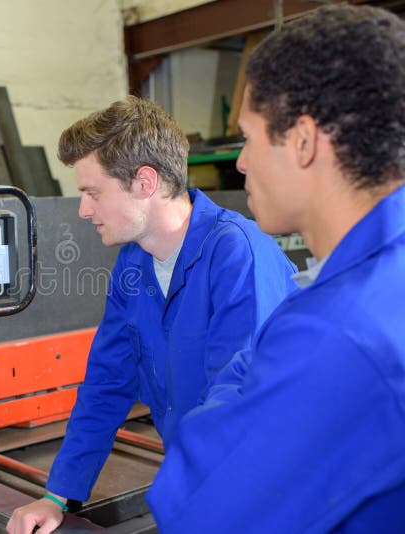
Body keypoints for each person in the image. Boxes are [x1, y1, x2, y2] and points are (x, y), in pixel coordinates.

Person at [147, 4, 405, 533]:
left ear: (303, 141)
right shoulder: (364, 281)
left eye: (248, 136)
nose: (241, 161)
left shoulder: (336, 334)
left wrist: (233, 398)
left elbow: (196, 507)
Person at [8, 96, 297, 533]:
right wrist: (56, 496)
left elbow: (238, 398)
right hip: (202, 485)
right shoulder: (134, 262)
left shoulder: (237, 254)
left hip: (266, 494)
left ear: (145, 182)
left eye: (92, 193)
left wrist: (182, 499)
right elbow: (107, 382)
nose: (83, 210)